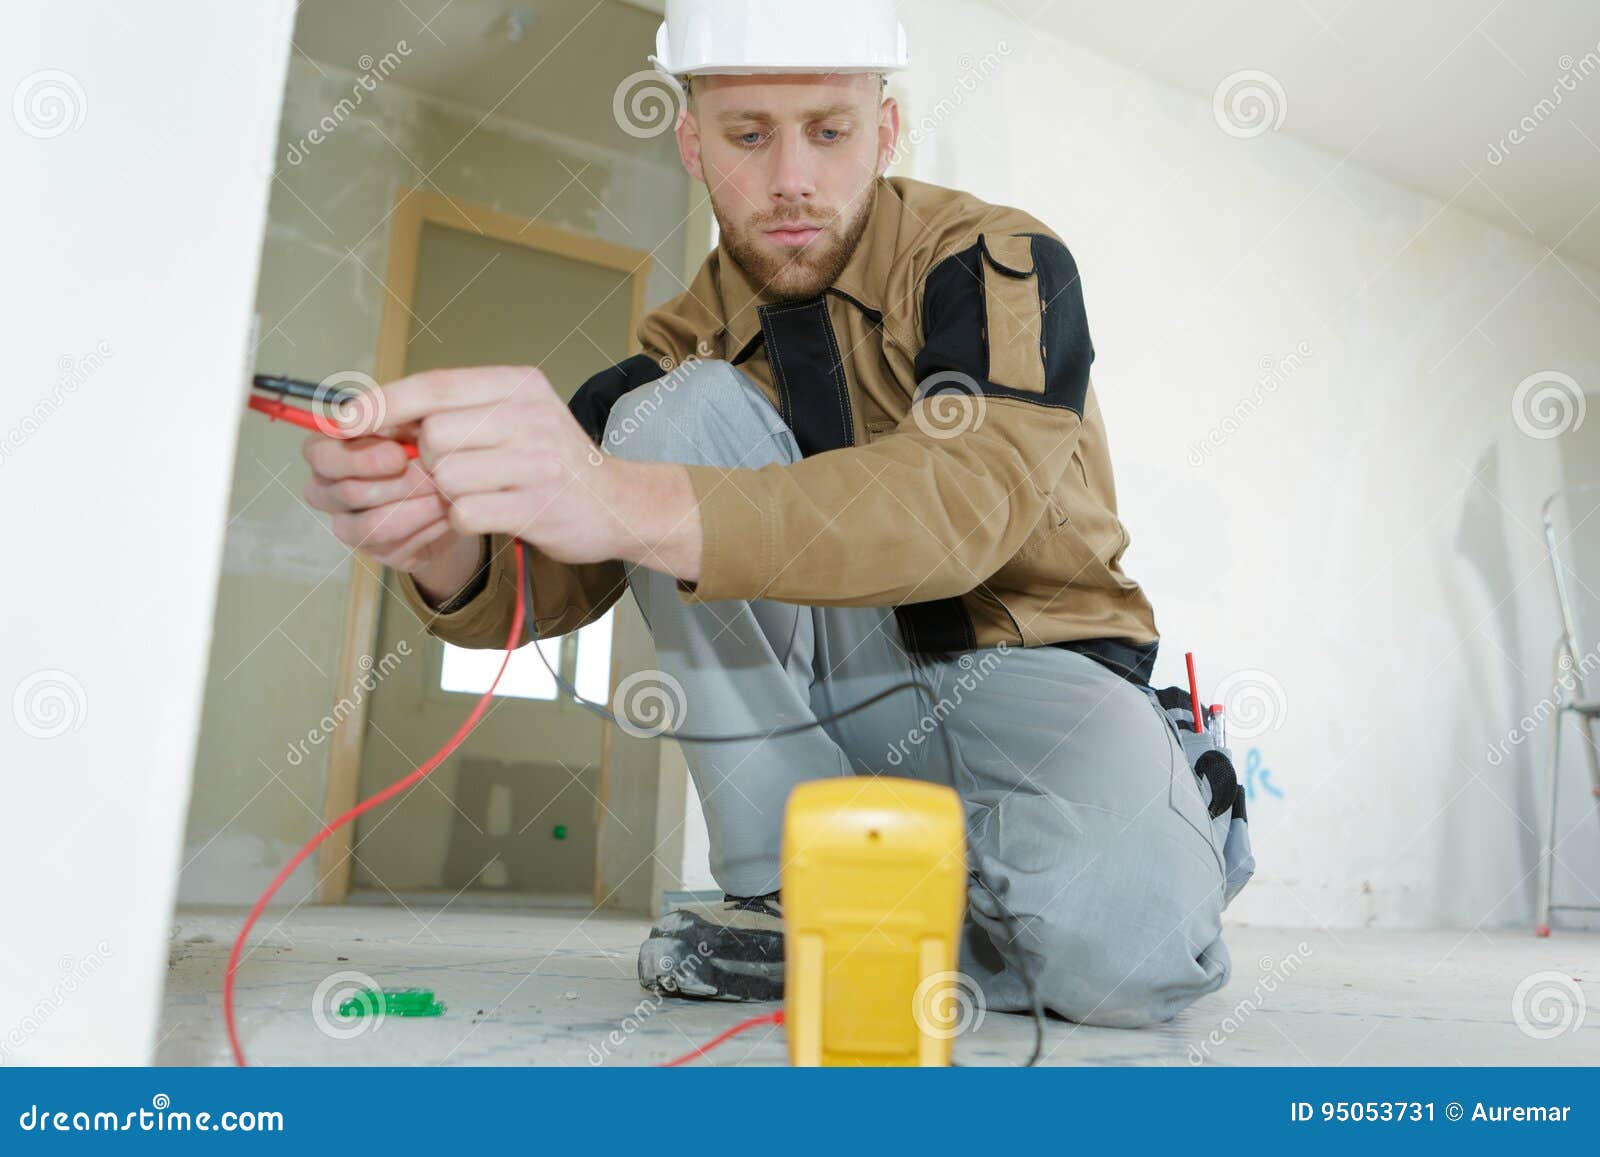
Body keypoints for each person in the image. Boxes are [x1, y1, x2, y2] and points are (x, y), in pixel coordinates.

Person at [302, 0, 1251, 1028]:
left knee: (1130, 965)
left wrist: (621, 497)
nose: (792, 176)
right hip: (841, 682)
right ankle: (791, 893)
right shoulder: (675, 349)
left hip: (1035, 667)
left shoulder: (993, 262)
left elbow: (962, 505)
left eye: (830, 132)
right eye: (748, 135)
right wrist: (444, 545)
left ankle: (1095, 832)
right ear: (692, 143)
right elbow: (549, 571)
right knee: (668, 415)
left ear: (883, 132)